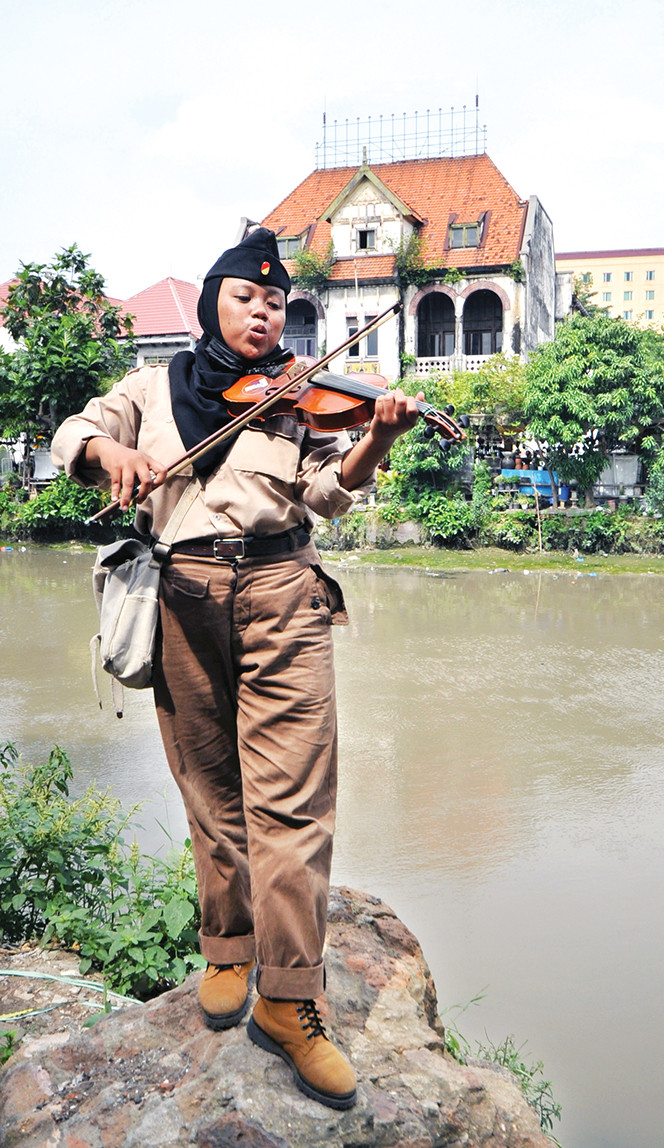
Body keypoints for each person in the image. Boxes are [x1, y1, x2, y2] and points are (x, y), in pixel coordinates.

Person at [51, 228, 422, 1111]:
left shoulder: (301, 394)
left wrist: (375, 440)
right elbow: (75, 432)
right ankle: (228, 947)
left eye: (276, 303)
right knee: (208, 784)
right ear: (213, 301)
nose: (263, 314)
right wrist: (112, 455)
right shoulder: (152, 387)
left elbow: (330, 491)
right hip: (180, 593)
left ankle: (288, 1000)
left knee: (291, 801)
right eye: (245, 298)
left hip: (282, 590)